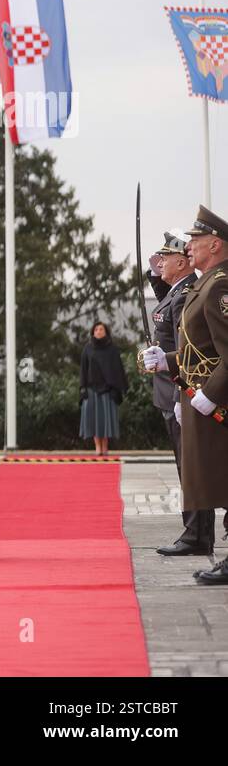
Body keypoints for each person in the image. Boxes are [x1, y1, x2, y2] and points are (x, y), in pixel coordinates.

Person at [142, 205, 228, 585]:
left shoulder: (220, 284)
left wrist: (211, 393)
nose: (189, 245)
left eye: (196, 239)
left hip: (216, 405)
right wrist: (169, 362)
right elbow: (198, 349)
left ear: (216, 243)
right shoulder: (207, 282)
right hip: (197, 400)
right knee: (212, 481)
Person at [144, 232, 212, 556]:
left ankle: (196, 535)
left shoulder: (185, 295)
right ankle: (194, 533)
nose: (160, 262)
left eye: (165, 257)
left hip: (178, 392)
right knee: (186, 468)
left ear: (182, 261)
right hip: (170, 392)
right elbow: (163, 308)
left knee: (191, 470)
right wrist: (155, 274)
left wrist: (178, 397)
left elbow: (185, 353)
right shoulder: (176, 292)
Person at [78, 321, 126, 456]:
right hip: (91, 390)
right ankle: (97, 448)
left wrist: (117, 389)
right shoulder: (87, 349)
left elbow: (118, 369)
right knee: (93, 420)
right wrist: (82, 388)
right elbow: (83, 369)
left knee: (105, 421)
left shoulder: (112, 349)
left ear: (106, 332)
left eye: (101, 329)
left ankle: (105, 447)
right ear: (93, 332)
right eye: (96, 329)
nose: (99, 331)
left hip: (108, 391)